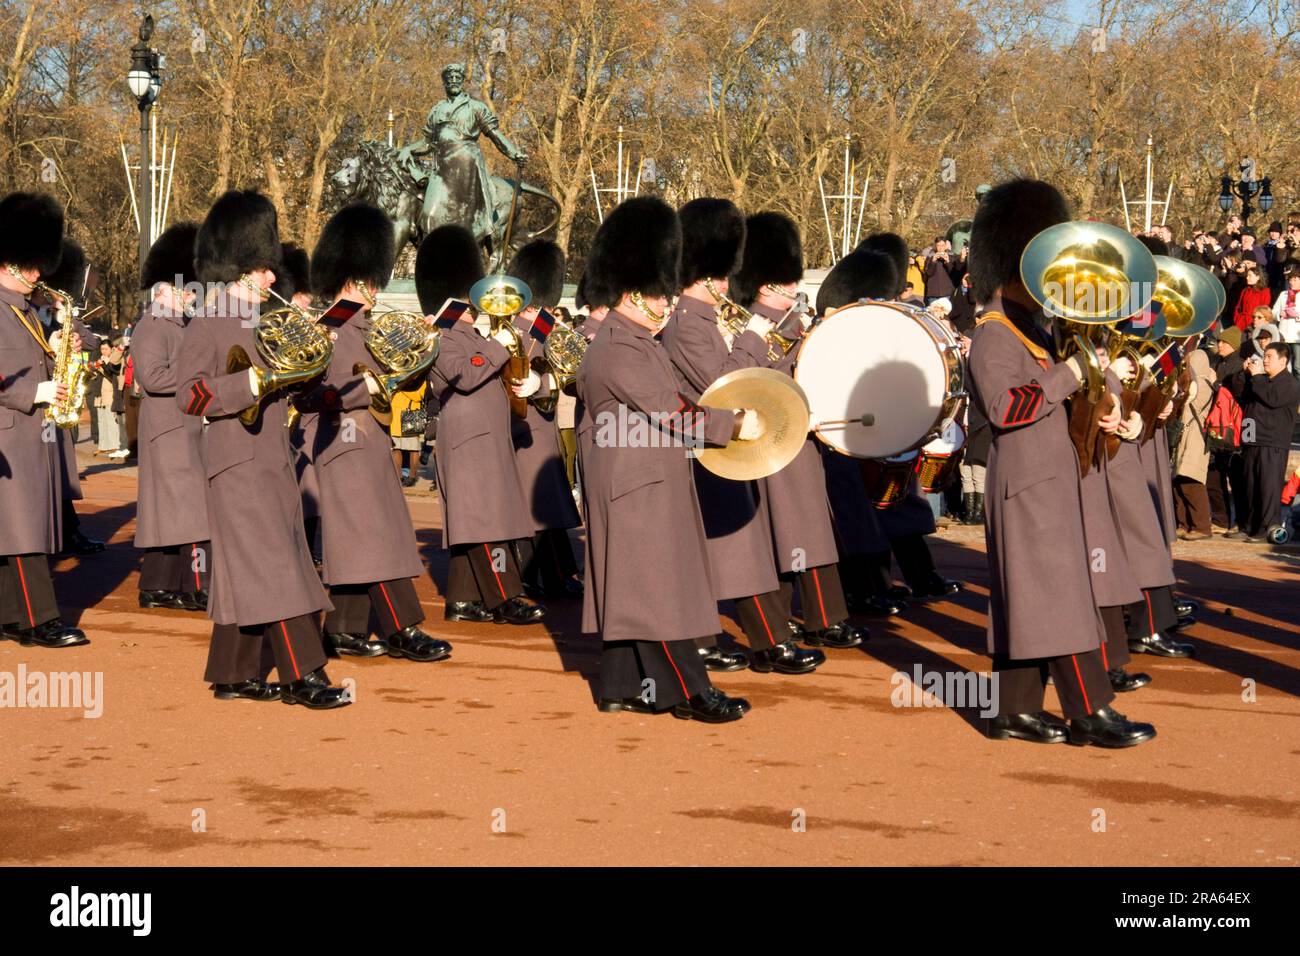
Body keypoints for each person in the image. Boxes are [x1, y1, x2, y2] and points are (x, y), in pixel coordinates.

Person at [966, 178, 1154, 747]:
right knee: (1061, 598)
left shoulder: (1035, 332)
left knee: (1032, 597)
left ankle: (1013, 711)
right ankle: (1090, 710)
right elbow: (1007, 407)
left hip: (1048, 480)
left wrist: (1098, 404)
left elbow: (1052, 398)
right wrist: (1071, 374)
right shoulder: (994, 336)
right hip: (1029, 485)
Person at [575, 195, 753, 722]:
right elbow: (669, 409)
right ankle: (690, 692)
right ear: (632, 293)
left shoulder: (636, 339)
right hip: (637, 486)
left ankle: (622, 685)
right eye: (660, 296)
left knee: (635, 587)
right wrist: (736, 424)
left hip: (644, 481)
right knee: (658, 592)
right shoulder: (618, 347)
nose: (669, 305)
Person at [175, 189, 347, 707]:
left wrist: (317, 374)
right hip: (237, 463)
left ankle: (232, 673)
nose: (273, 278)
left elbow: (290, 388)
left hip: (273, 459)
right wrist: (249, 385)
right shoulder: (209, 320)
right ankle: (303, 676)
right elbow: (189, 393)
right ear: (239, 269)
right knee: (281, 564)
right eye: (263, 269)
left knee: (244, 567)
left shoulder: (265, 321)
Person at [296, 201, 453, 663]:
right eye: (367, 282)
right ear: (349, 278)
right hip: (341, 445)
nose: (373, 290)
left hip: (371, 443)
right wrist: (364, 388)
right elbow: (309, 395)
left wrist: (423, 349)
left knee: (361, 541)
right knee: (377, 538)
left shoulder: (369, 326)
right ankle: (404, 627)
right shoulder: (326, 329)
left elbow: (399, 377)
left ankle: (344, 629)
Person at [728, 210, 869, 654]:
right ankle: (793, 623)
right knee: (784, 533)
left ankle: (825, 616)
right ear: (765, 284)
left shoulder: (796, 322)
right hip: (770, 441)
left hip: (805, 443)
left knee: (811, 530)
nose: (794, 288)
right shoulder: (744, 325)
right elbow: (746, 382)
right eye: (786, 281)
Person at [416, 225, 545, 626]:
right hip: (468, 440)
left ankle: (463, 599)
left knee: (478, 521)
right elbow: (463, 375)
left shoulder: (473, 332)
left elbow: (505, 363)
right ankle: (505, 597)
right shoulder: (441, 335)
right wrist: (496, 346)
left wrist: (523, 336)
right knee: (487, 522)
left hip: (486, 438)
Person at [0, 191, 89, 649]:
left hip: (35, 433)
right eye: (29, 263)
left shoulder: (28, 309)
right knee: (24, 533)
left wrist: (60, 359)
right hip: (11, 434)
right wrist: (32, 391)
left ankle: (11, 617)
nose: (37, 273)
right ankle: (41, 620)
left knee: (19, 531)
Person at [132, 222, 211, 612]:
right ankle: (197, 585)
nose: (189, 295)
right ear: (164, 290)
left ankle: (157, 586)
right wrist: (196, 377)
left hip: (184, 427)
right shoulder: (151, 326)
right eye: (184, 289)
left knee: (170, 511)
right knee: (193, 511)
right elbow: (153, 377)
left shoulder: (184, 325)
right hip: (167, 429)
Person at [505, 240, 584, 600]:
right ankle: (522, 577)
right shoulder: (515, 331)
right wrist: (540, 385)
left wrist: (546, 383)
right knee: (535, 510)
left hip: (543, 427)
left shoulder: (545, 331)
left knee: (547, 508)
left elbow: (565, 373)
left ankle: (556, 574)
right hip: (523, 428)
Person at [1233, 342, 1300, 540]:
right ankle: (1248, 526)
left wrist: (1255, 378)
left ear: (1283, 360)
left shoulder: (1291, 383)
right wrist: (1243, 374)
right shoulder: (1259, 379)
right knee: (1250, 485)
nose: (1265, 360)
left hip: (1273, 441)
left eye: (1270, 356)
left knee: (1268, 487)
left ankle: (1268, 528)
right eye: (1264, 356)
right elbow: (1240, 395)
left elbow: (1272, 399)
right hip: (1251, 438)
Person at [1172, 345, 1216, 539]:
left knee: (1192, 482)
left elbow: (1191, 393)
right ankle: (1183, 523)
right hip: (1185, 436)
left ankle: (1201, 526)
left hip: (1196, 439)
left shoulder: (1204, 384)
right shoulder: (1197, 381)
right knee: (1178, 483)